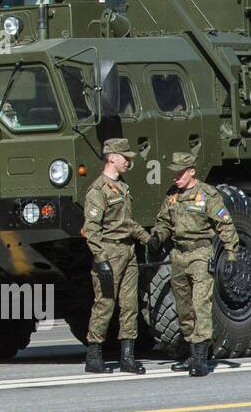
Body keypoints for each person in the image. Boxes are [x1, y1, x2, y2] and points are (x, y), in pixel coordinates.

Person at [150, 153, 238, 377]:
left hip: (200, 254)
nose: (176, 176)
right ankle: (191, 351)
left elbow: (225, 225)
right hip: (178, 255)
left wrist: (231, 255)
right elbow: (164, 223)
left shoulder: (207, 195)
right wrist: (157, 237)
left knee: (201, 304)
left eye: (180, 172)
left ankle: (201, 357)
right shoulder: (172, 195)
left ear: (192, 171)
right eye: (174, 172)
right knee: (183, 307)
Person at [80, 138, 149, 375]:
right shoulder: (98, 190)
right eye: (125, 157)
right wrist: (101, 259)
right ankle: (94, 355)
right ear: (111, 157)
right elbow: (91, 229)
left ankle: (127, 357)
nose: (128, 161)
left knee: (130, 305)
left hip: (128, 251)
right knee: (105, 304)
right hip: (109, 252)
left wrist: (147, 238)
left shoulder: (123, 187)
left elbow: (127, 223)